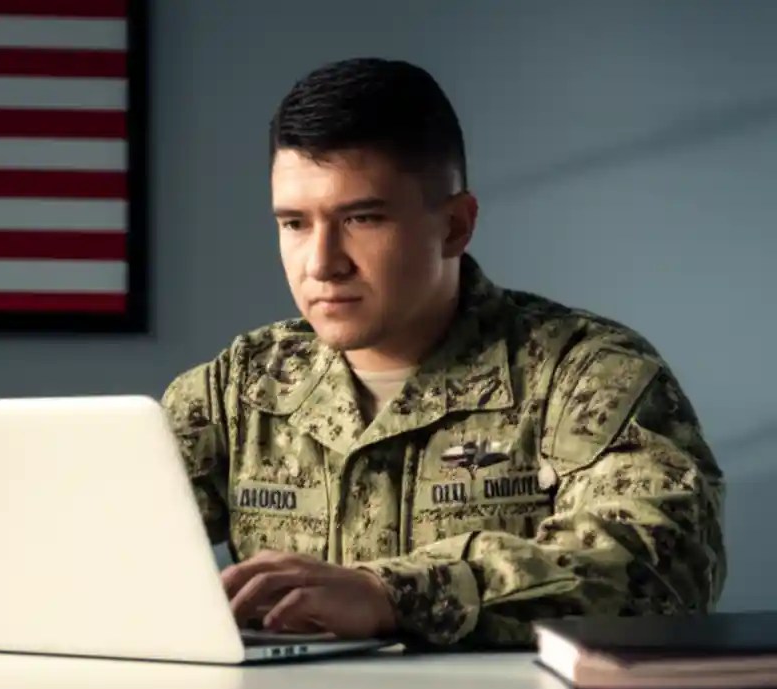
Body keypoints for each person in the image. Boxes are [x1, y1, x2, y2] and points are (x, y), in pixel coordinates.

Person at [159, 57, 726, 648]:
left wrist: (394, 594)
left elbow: (664, 564)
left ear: (454, 225)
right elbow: (93, 558)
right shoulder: (233, 391)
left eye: (361, 218)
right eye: (295, 223)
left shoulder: (586, 375)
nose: (322, 262)